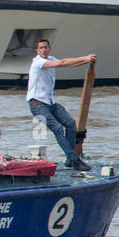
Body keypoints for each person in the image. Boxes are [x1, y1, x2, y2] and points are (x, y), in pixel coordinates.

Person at [27, 39, 96, 170]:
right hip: (37, 103)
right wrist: (85, 57)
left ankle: (70, 159)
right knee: (58, 128)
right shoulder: (38, 62)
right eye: (41, 48)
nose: (43, 50)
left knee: (70, 124)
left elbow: (69, 64)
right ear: (37, 51)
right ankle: (75, 160)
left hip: (50, 102)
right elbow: (63, 62)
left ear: (49, 49)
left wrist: (87, 61)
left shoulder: (51, 58)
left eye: (45, 47)